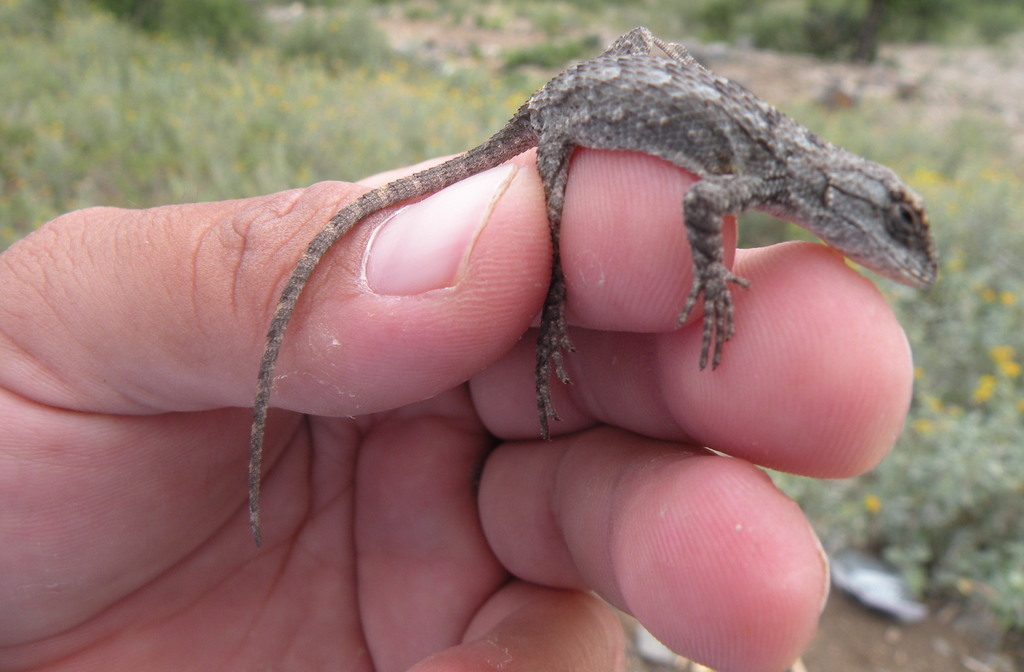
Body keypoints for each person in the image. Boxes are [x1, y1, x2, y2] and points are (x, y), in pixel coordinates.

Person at [0, 149, 914, 672]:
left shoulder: (772, 166)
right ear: (845, 203)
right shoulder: (761, 169)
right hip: (582, 122)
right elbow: (704, 200)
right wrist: (711, 282)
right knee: (550, 265)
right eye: (894, 228)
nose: (897, 253)